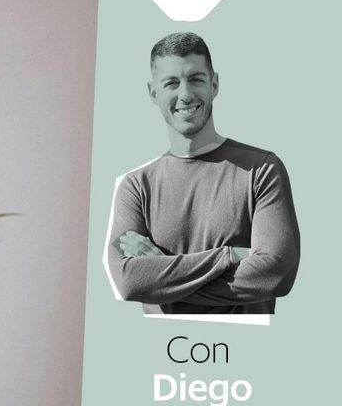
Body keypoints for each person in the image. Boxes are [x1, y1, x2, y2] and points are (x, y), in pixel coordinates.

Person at [105, 32, 299, 315]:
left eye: (195, 79)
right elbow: (129, 282)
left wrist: (162, 276)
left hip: (246, 352)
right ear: (153, 93)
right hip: (158, 351)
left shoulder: (262, 169)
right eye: (171, 83)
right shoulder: (135, 186)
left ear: (214, 84)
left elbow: (277, 275)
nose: (185, 94)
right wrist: (230, 256)